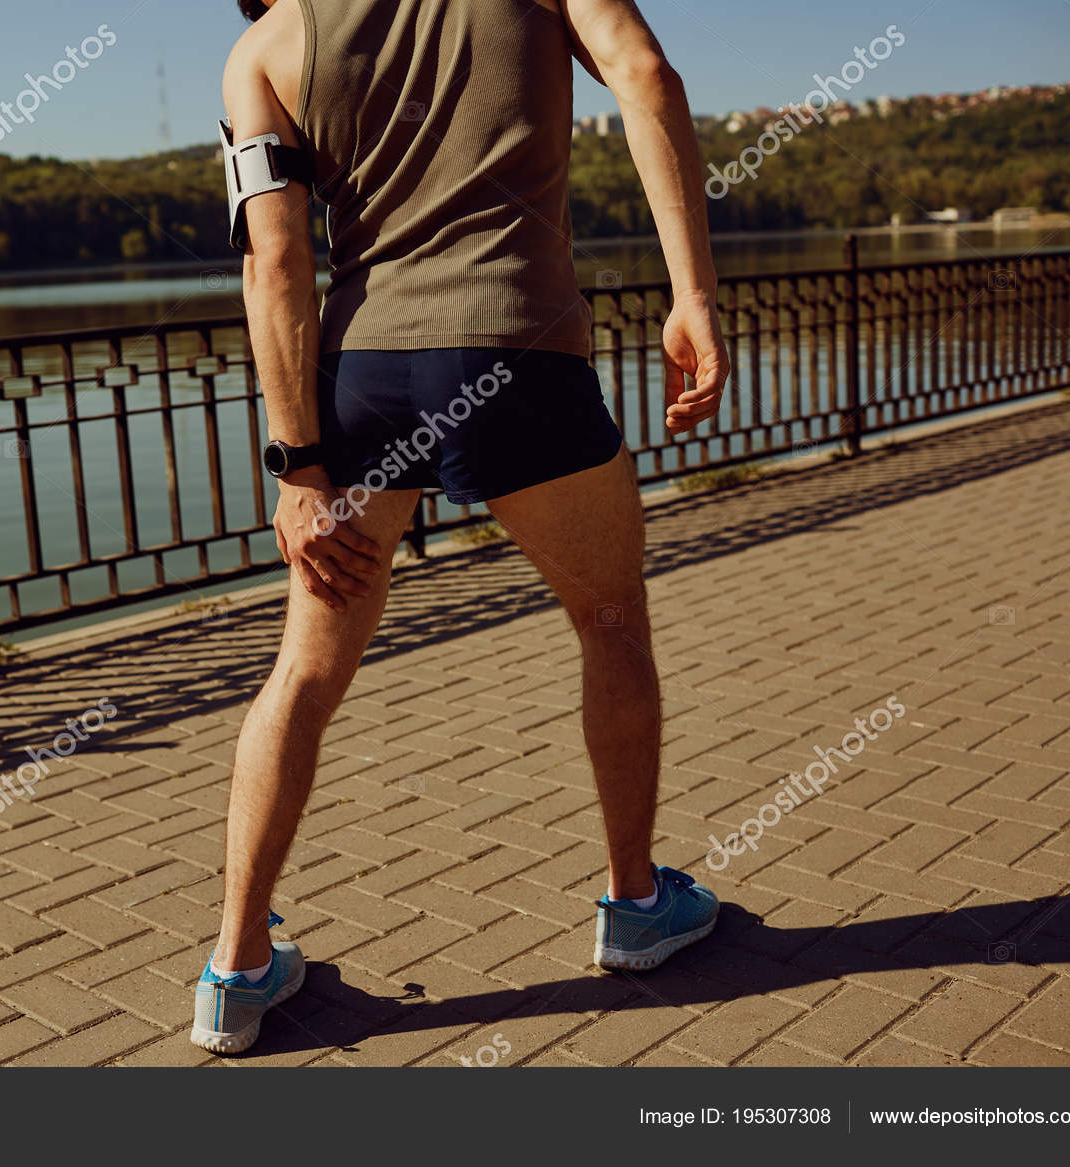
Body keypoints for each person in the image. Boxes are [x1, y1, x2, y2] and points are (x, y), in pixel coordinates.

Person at [192, 0, 731, 1056]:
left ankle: (236, 967)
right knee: (609, 620)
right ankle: (634, 904)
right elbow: (644, 75)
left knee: (303, 670)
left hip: (360, 381)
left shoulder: (264, 47)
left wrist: (297, 465)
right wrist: (693, 294)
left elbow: (275, 262)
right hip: (517, 351)